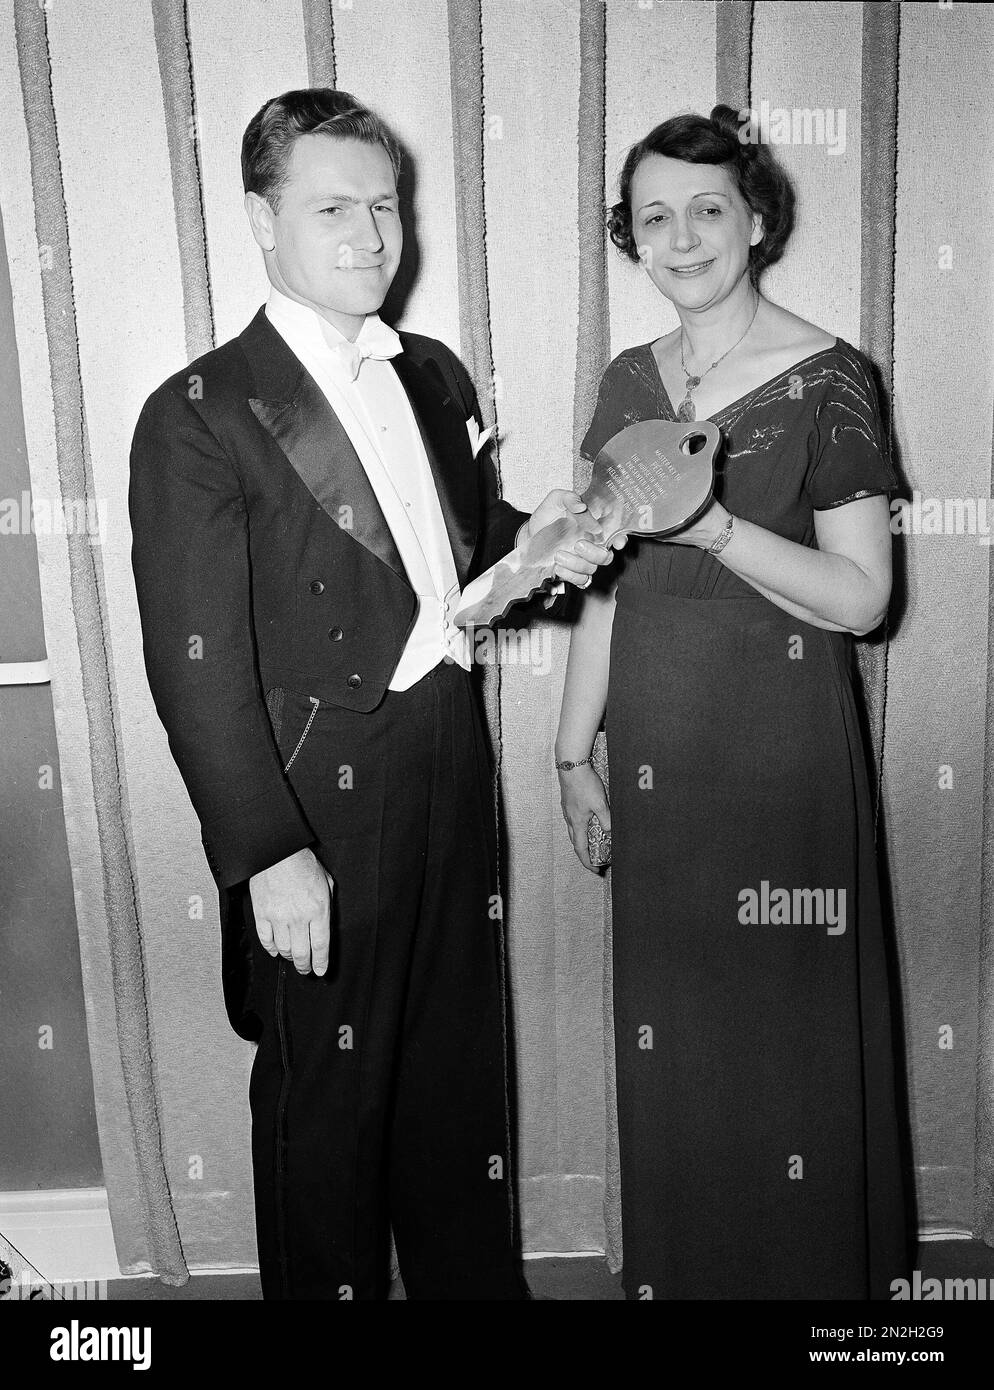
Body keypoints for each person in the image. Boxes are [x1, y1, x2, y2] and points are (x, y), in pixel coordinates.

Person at [129, 87, 615, 1301]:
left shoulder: (433, 372)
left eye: (383, 206)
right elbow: (195, 668)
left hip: (448, 757)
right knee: (327, 1110)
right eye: (331, 206)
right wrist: (269, 852)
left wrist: (537, 538)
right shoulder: (197, 412)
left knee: (456, 1084)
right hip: (316, 801)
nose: (369, 234)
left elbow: (444, 548)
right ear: (261, 217)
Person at [556, 105, 910, 1300]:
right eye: (652, 216)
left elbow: (863, 599)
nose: (682, 235)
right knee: (681, 1039)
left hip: (779, 760)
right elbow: (600, 580)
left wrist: (714, 529)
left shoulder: (831, 377)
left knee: (782, 1040)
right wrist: (571, 753)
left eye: (707, 207)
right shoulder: (625, 380)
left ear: (755, 220)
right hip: (658, 753)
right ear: (631, 239)